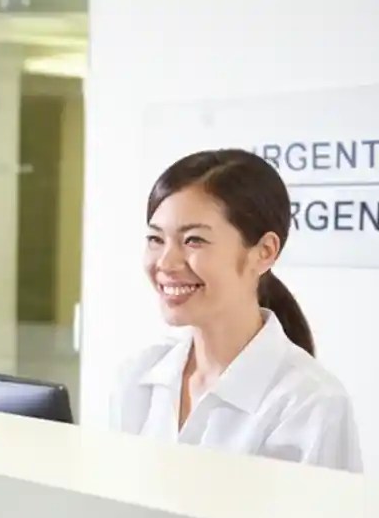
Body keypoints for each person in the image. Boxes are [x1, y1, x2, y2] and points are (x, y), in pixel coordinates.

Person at [109, 149, 362, 473]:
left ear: (264, 252)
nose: (166, 263)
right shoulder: (135, 379)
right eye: (156, 239)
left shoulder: (312, 404)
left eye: (194, 240)